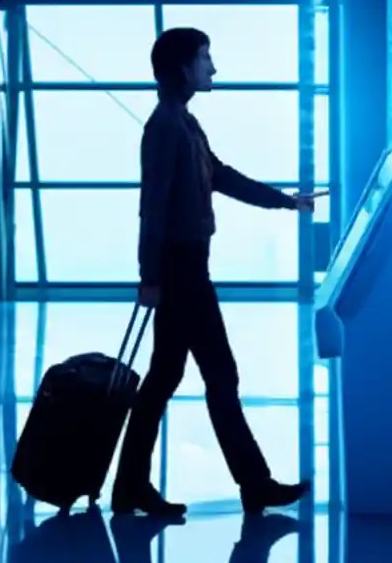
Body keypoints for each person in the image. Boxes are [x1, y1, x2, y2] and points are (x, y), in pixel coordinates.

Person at [112, 27, 316, 518]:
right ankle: (252, 484)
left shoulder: (185, 125)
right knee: (214, 376)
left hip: (188, 269)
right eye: (205, 57)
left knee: (167, 378)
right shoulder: (165, 128)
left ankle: (132, 486)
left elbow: (221, 176)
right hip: (181, 272)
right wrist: (150, 277)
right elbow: (152, 208)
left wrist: (287, 202)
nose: (213, 67)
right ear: (183, 67)